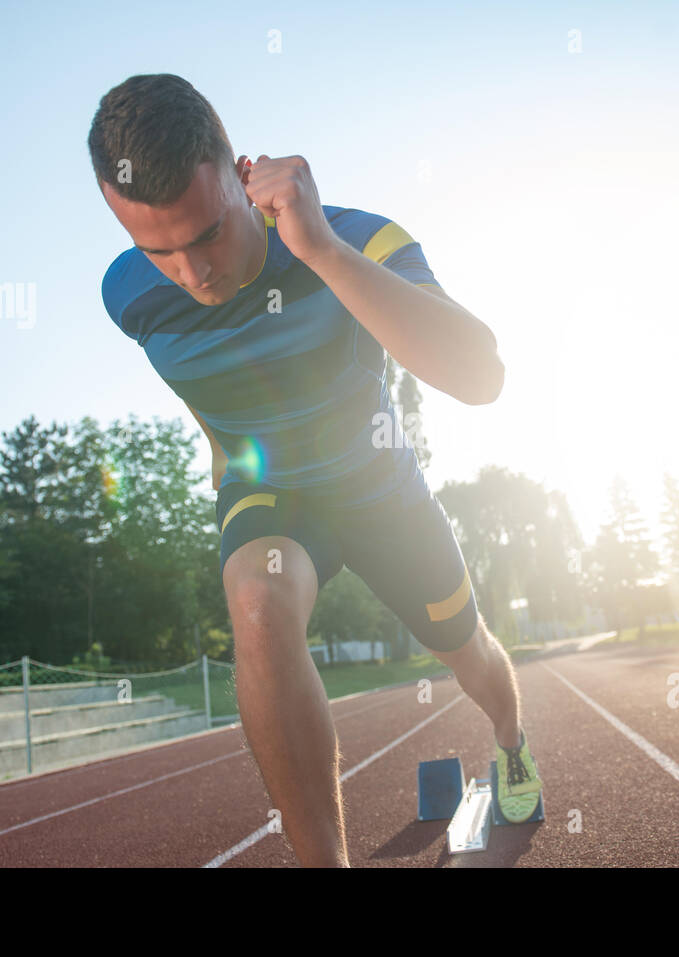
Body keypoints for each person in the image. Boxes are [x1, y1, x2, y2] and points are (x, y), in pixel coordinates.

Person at [88, 73, 541, 867]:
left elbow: (481, 376)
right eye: (159, 249)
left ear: (242, 173)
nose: (192, 273)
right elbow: (197, 380)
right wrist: (225, 460)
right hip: (272, 491)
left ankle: (512, 740)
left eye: (208, 236)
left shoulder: (358, 236)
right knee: (255, 601)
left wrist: (321, 251)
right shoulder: (127, 295)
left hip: (379, 487)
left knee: (471, 653)